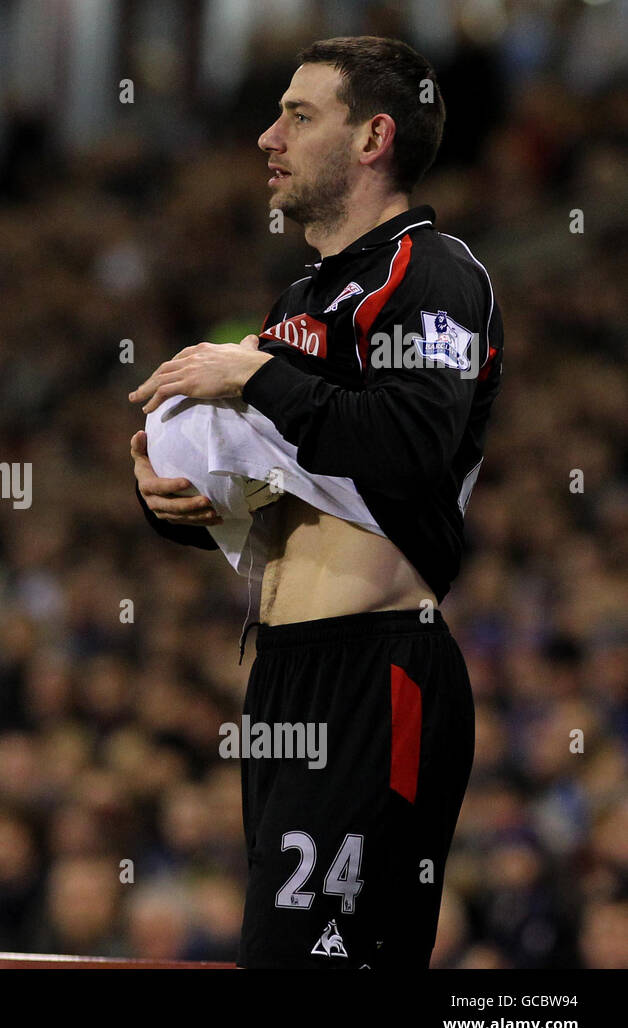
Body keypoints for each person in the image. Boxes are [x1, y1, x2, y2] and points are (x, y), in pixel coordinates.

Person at [128, 36, 503, 968]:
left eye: (299, 116)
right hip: (287, 670)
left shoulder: (434, 271)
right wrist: (176, 501)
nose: (268, 137)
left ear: (375, 136)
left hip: (381, 676)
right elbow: (289, 492)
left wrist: (254, 375)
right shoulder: (304, 295)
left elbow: (413, 445)